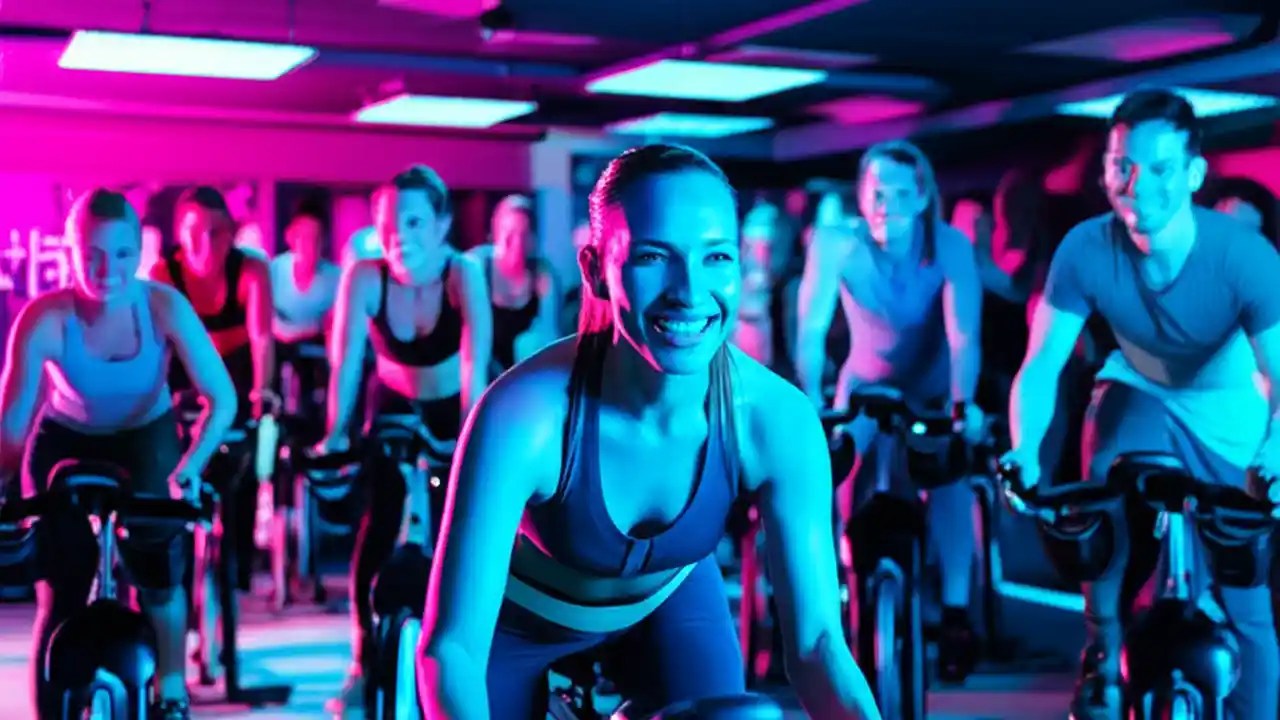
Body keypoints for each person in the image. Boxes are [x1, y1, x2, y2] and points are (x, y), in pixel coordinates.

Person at [418, 144, 879, 720]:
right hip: (519, 629)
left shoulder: (776, 419)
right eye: (653, 256)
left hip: (669, 605)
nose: (688, 290)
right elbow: (450, 650)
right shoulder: (525, 415)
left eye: (716, 258)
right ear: (596, 272)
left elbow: (816, 647)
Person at [1004, 88, 1280, 720]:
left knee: (1250, 611)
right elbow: (1041, 365)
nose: (1136, 185)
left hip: (1229, 415)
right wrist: (1023, 448)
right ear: (1104, 168)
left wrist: (1275, 454)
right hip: (1139, 392)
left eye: (1158, 169)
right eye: (1120, 164)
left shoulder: (1245, 258)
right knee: (1100, 511)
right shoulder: (1084, 248)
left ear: (1193, 174)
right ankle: (1103, 653)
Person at [0, 189, 237, 720]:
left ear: (140, 251)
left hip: (145, 435)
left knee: (158, 577)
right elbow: (11, 428)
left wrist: (189, 469)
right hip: (65, 439)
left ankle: (173, 690)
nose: (109, 269)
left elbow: (222, 398)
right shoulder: (45, 318)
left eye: (123, 254)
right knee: (58, 594)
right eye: (93, 255)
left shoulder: (162, 306)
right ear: (69, 252)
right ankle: (49, 708)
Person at [795, 140, 985, 680]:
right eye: (877, 193)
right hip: (862, 385)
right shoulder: (836, 243)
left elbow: (963, 337)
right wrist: (810, 397)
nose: (887, 205)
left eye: (901, 193)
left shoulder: (949, 245)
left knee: (947, 476)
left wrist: (961, 404)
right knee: (831, 475)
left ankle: (953, 613)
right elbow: (810, 329)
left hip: (931, 387)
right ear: (861, 195)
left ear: (922, 197)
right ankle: (837, 599)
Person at [315, 164, 491, 716]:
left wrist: (469, 437)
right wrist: (335, 433)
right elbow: (346, 364)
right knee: (379, 521)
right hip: (389, 403)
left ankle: (466, 658)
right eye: (388, 223)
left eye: (413, 222)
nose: (398, 236)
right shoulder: (365, 277)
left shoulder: (464, 275)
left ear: (441, 225)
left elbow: (474, 364)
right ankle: (360, 665)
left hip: (450, 409)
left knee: (455, 534)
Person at [150, 186, 276, 591]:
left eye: (216, 232)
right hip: (185, 373)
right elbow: (158, 349)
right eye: (194, 232)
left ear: (231, 233)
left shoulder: (251, 271)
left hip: (235, 374)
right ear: (180, 235)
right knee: (167, 459)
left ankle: (237, 563)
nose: (205, 243)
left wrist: (263, 392)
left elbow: (262, 339)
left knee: (242, 462)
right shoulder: (164, 274)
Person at [470, 194, 560, 376]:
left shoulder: (542, 274)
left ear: (534, 239)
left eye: (524, 235)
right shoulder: (476, 267)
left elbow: (551, 341)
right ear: (494, 234)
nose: (516, 244)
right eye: (508, 234)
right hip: (477, 373)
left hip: (523, 379)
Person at [271, 198, 340, 420]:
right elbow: (265, 320)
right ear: (290, 236)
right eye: (303, 237)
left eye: (316, 239)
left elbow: (335, 325)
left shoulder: (336, 279)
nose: (309, 245)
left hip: (318, 355)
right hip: (279, 350)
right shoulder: (274, 270)